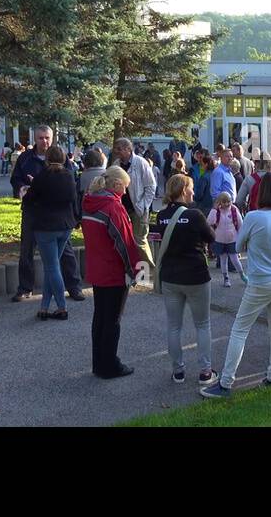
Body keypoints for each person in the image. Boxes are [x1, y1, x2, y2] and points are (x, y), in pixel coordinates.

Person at [200, 172, 271, 398]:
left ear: (262, 192)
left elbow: (238, 244)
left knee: (240, 330)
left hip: (261, 281)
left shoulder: (254, 216)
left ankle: (225, 382)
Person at [155, 174, 219, 387]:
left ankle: (178, 371)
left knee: (174, 326)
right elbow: (212, 237)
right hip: (196, 276)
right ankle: (205, 371)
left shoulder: (161, 215)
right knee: (202, 324)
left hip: (171, 277)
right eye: (190, 188)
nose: (193, 192)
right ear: (183, 190)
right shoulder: (195, 215)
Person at [82, 166, 144, 379]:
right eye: (125, 187)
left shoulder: (89, 203)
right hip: (113, 271)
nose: (126, 192)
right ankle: (110, 365)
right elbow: (125, 244)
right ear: (116, 185)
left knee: (100, 317)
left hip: (96, 268)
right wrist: (135, 271)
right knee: (112, 320)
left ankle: (99, 363)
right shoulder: (113, 208)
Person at [9, 126, 84, 303]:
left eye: (48, 138)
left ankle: (74, 286)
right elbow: (16, 179)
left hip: (56, 214)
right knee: (26, 249)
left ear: (52, 138)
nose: (45, 141)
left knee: (66, 251)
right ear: (35, 139)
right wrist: (21, 188)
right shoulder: (26, 158)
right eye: (41, 138)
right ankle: (25, 288)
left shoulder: (61, 157)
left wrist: (75, 216)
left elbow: (71, 183)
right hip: (32, 210)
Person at [24, 145, 79, 320]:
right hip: (65, 225)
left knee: (52, 267)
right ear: (64, 159)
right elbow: (73, 199)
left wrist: (29, 189)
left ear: (46, 159)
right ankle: (44, 306)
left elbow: (29, 200)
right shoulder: (69, 176)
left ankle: (62, 307)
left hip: (46, 227)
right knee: (51, 267)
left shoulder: (42, 177)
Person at [109, 138, 157, 266]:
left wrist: (143, 205)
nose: (116, 151)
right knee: (125, 240)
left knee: (139, 240)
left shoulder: (140, 163)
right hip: (122, 209)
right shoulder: (116, 165)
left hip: (138, 209)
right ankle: (133, 270)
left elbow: (151, 186)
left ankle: (150, 271)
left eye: (119, 148)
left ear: (128, 149)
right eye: (116, 148)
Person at [208, 192, 246, 288]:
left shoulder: (234, 210)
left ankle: (242, 275)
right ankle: (226, 278)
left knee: (235, 259)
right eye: (224, 202)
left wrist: (241, 237)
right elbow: (209, 221)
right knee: (223, 260)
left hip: (232, 239)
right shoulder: (217, 211)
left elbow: (240, 224)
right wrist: (214, 209)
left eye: (228, 201)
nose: (227, 204)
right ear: (219, 202)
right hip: (219, 240)